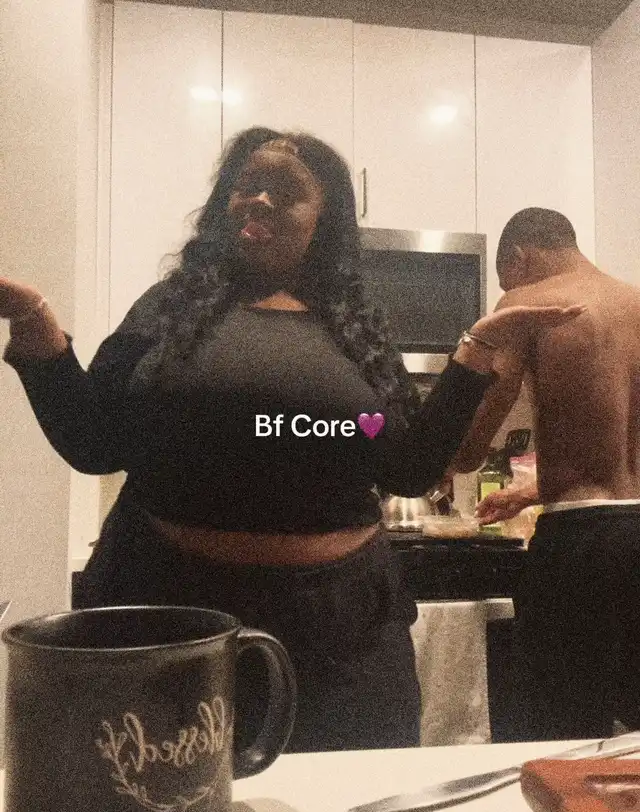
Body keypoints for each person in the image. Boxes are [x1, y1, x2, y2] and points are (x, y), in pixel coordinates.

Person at [1, 132, 581, 752]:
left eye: (284, 191)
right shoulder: (169, 307)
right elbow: (93, 442)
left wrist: (475, 354)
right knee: (167, 801)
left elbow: (407, 467)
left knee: (351, 804)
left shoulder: (357, 326)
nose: (259, 200)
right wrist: (38, 331)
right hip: (172, 618)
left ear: (323, 218)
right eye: (247, 186)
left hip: (343, 633)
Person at [449, 207, 640, 741]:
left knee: (555, 733)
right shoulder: (635, 302)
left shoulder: (526, 304)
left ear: (518, 257)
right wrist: (531, 490)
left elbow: (471, 445)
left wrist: (430, 455)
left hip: (579, 547)